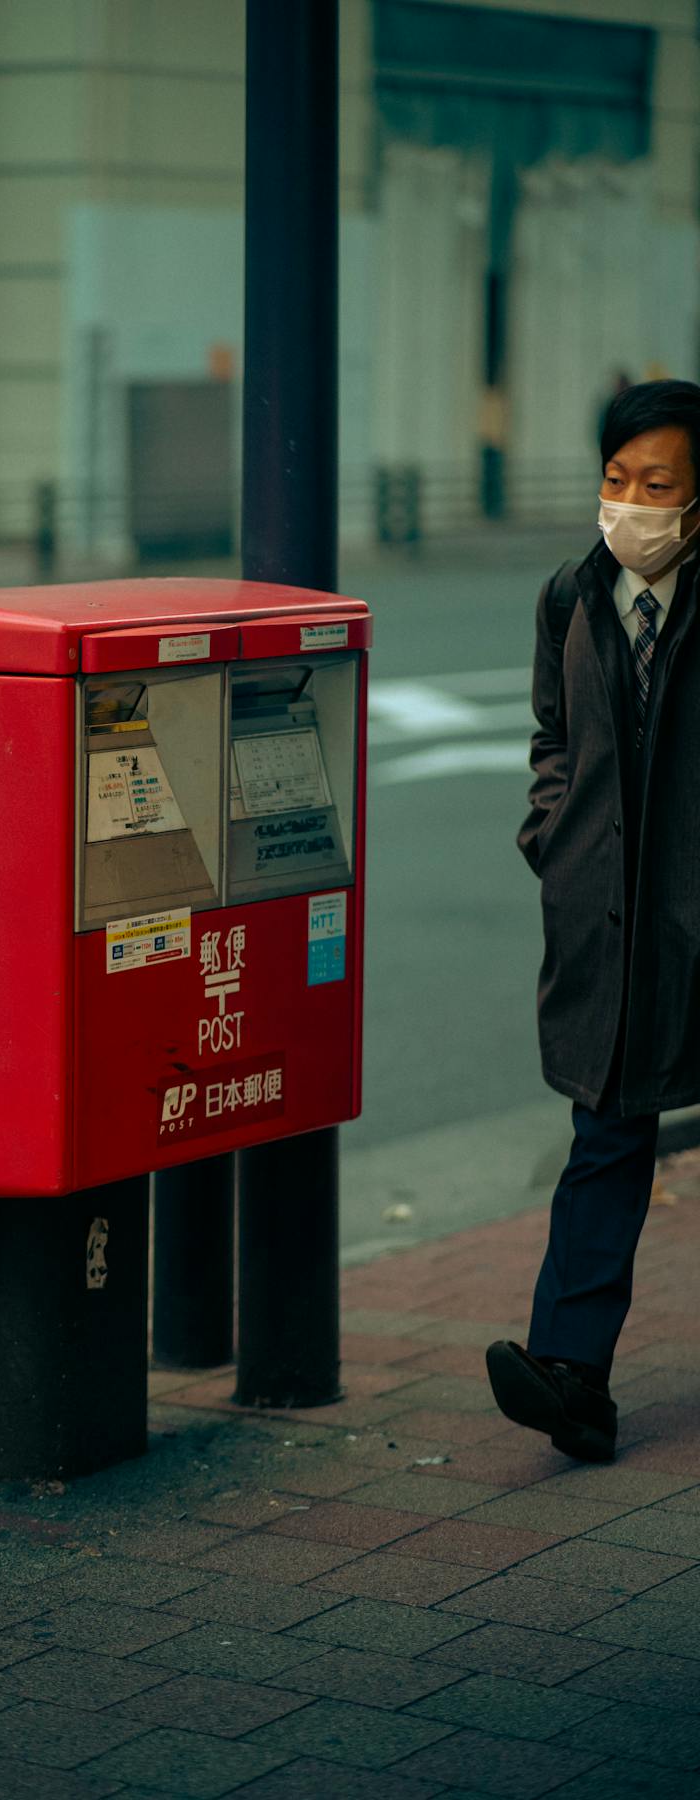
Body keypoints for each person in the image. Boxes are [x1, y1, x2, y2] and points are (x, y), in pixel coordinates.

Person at [487, 378, 700, 1462]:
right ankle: (573, 1376)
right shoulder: (571, 596)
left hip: (693, 930)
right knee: (605, 1136)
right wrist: (555, 842)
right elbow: (551, 742)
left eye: (657, 484)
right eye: (616, 480)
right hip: (607, 930)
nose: (630, 504)